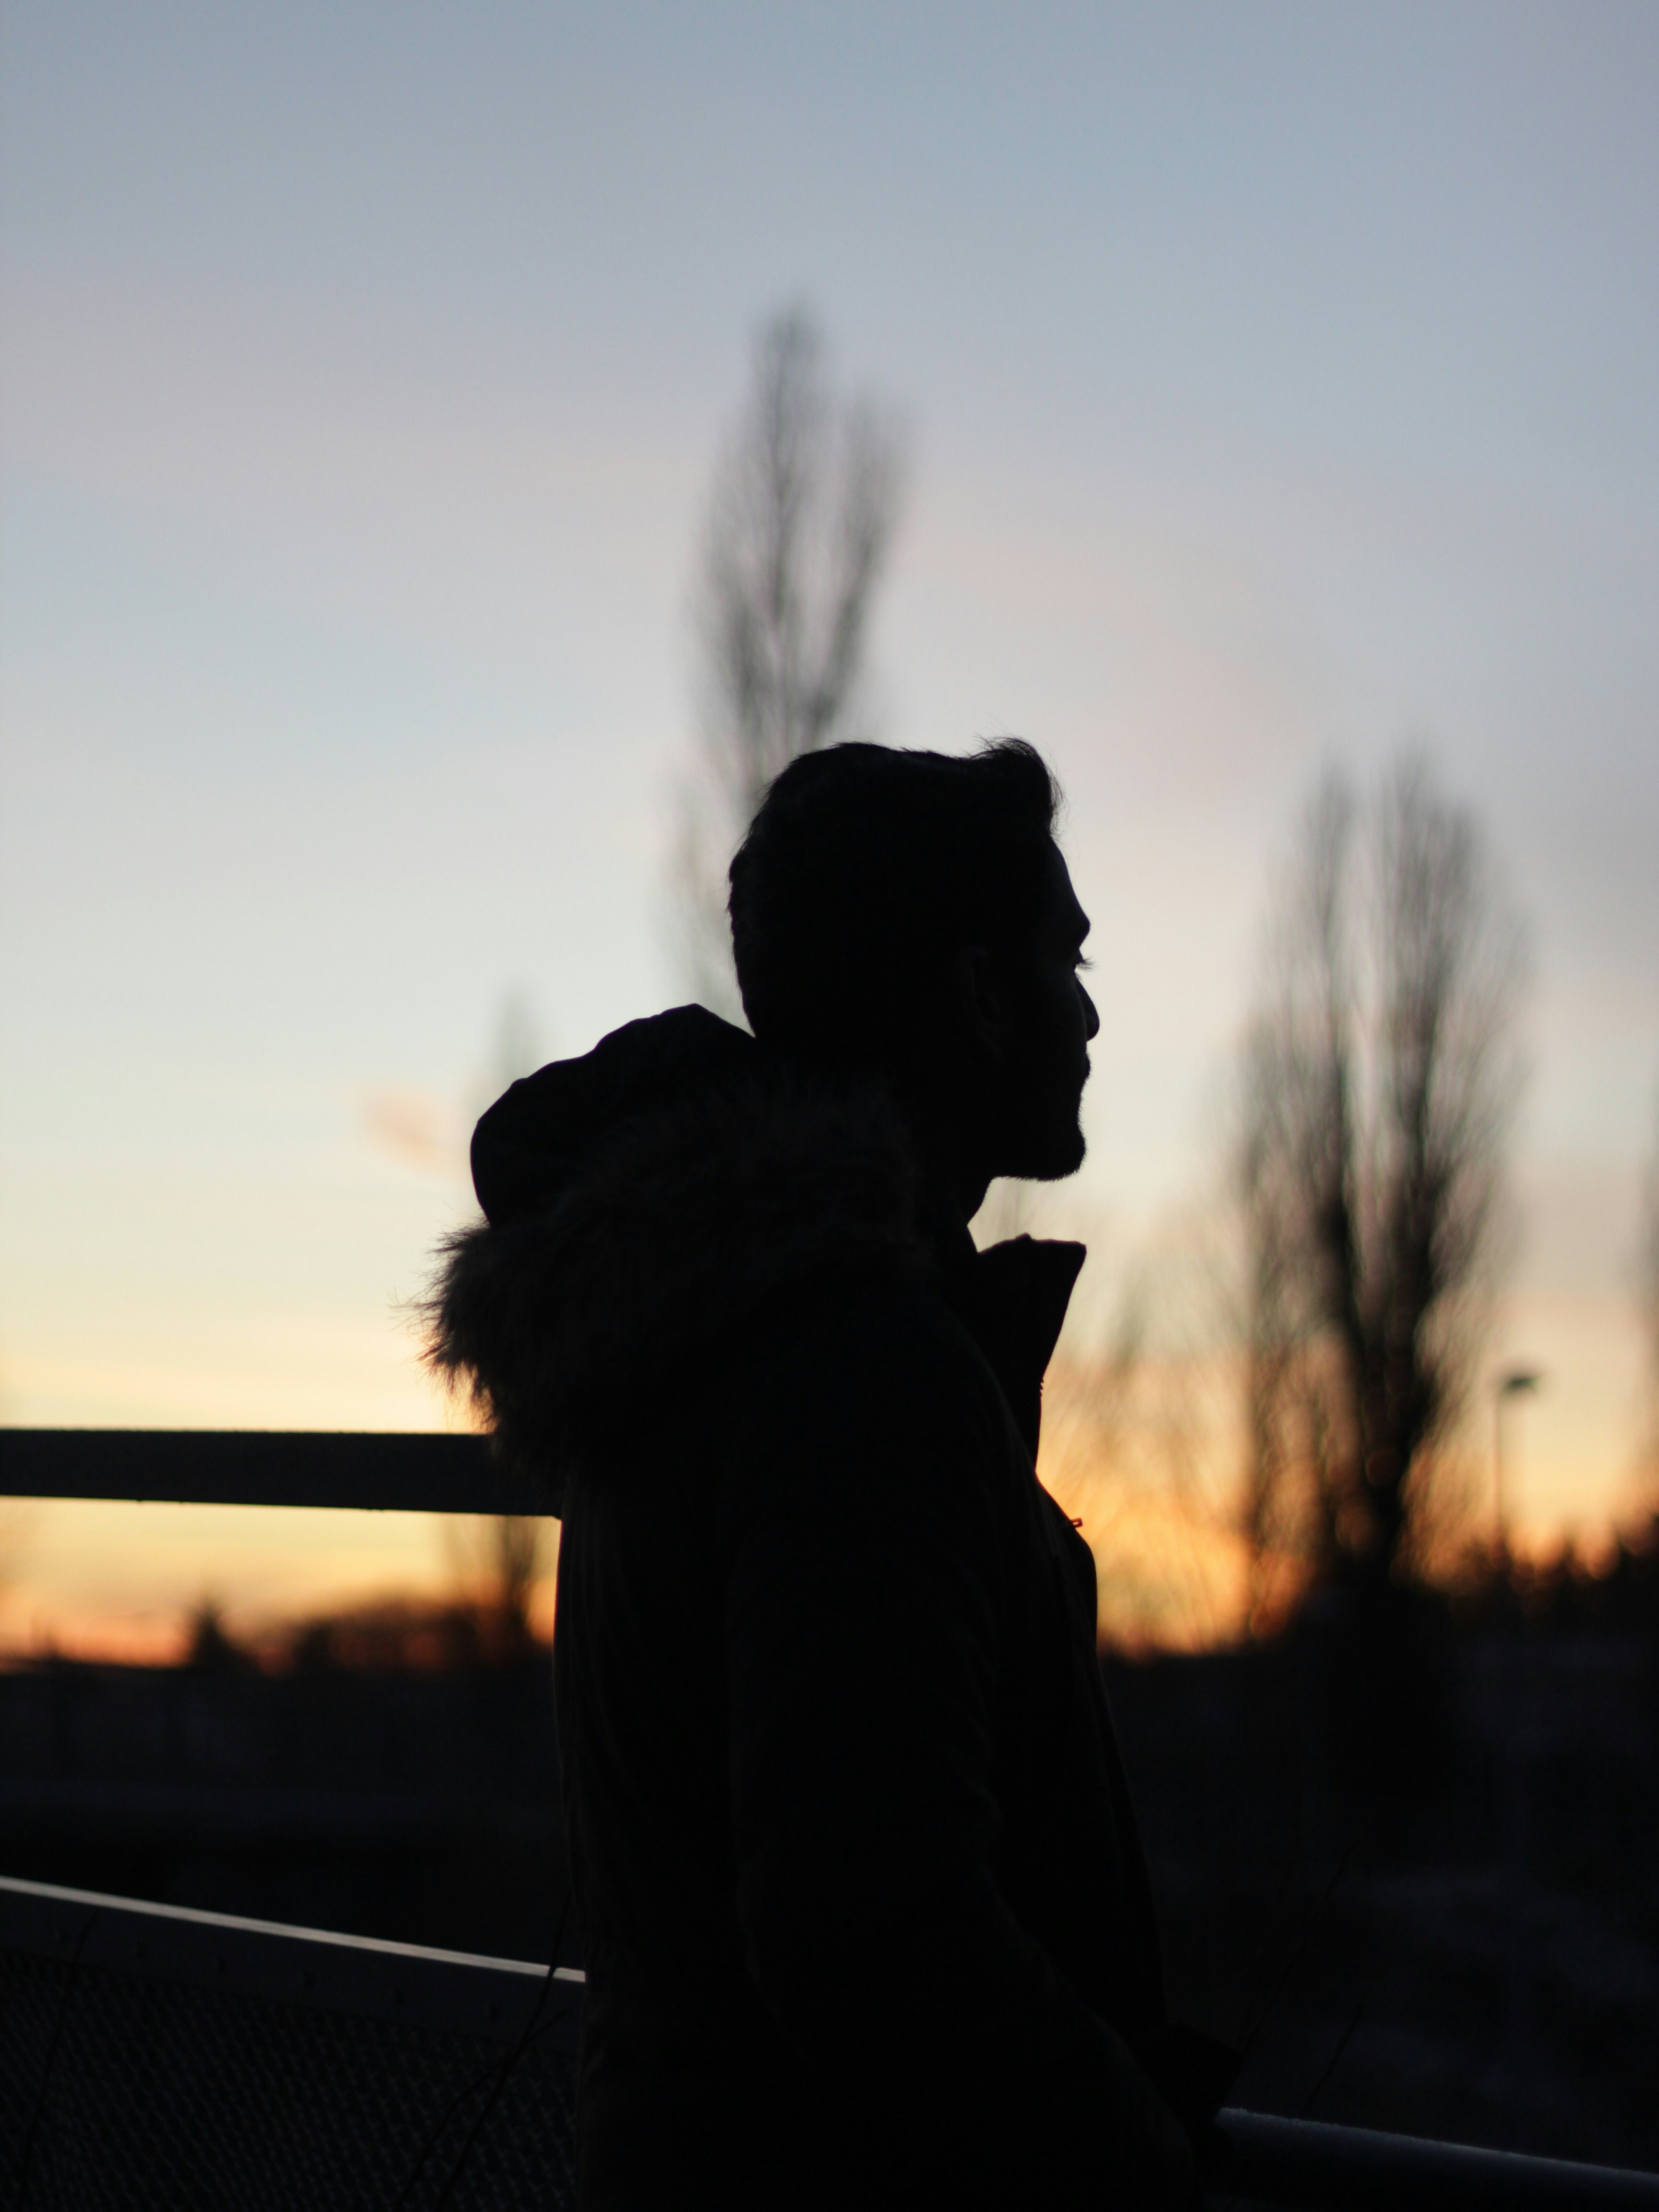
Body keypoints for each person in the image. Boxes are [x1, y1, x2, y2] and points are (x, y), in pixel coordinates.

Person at [428, 740, 1231, 2209]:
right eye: (1068, 959)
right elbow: (873, 1925)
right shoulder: (859, 1370)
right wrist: (1141, 2163)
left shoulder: (701, 1330)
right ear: (981, 1000)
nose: (1094, 1013)